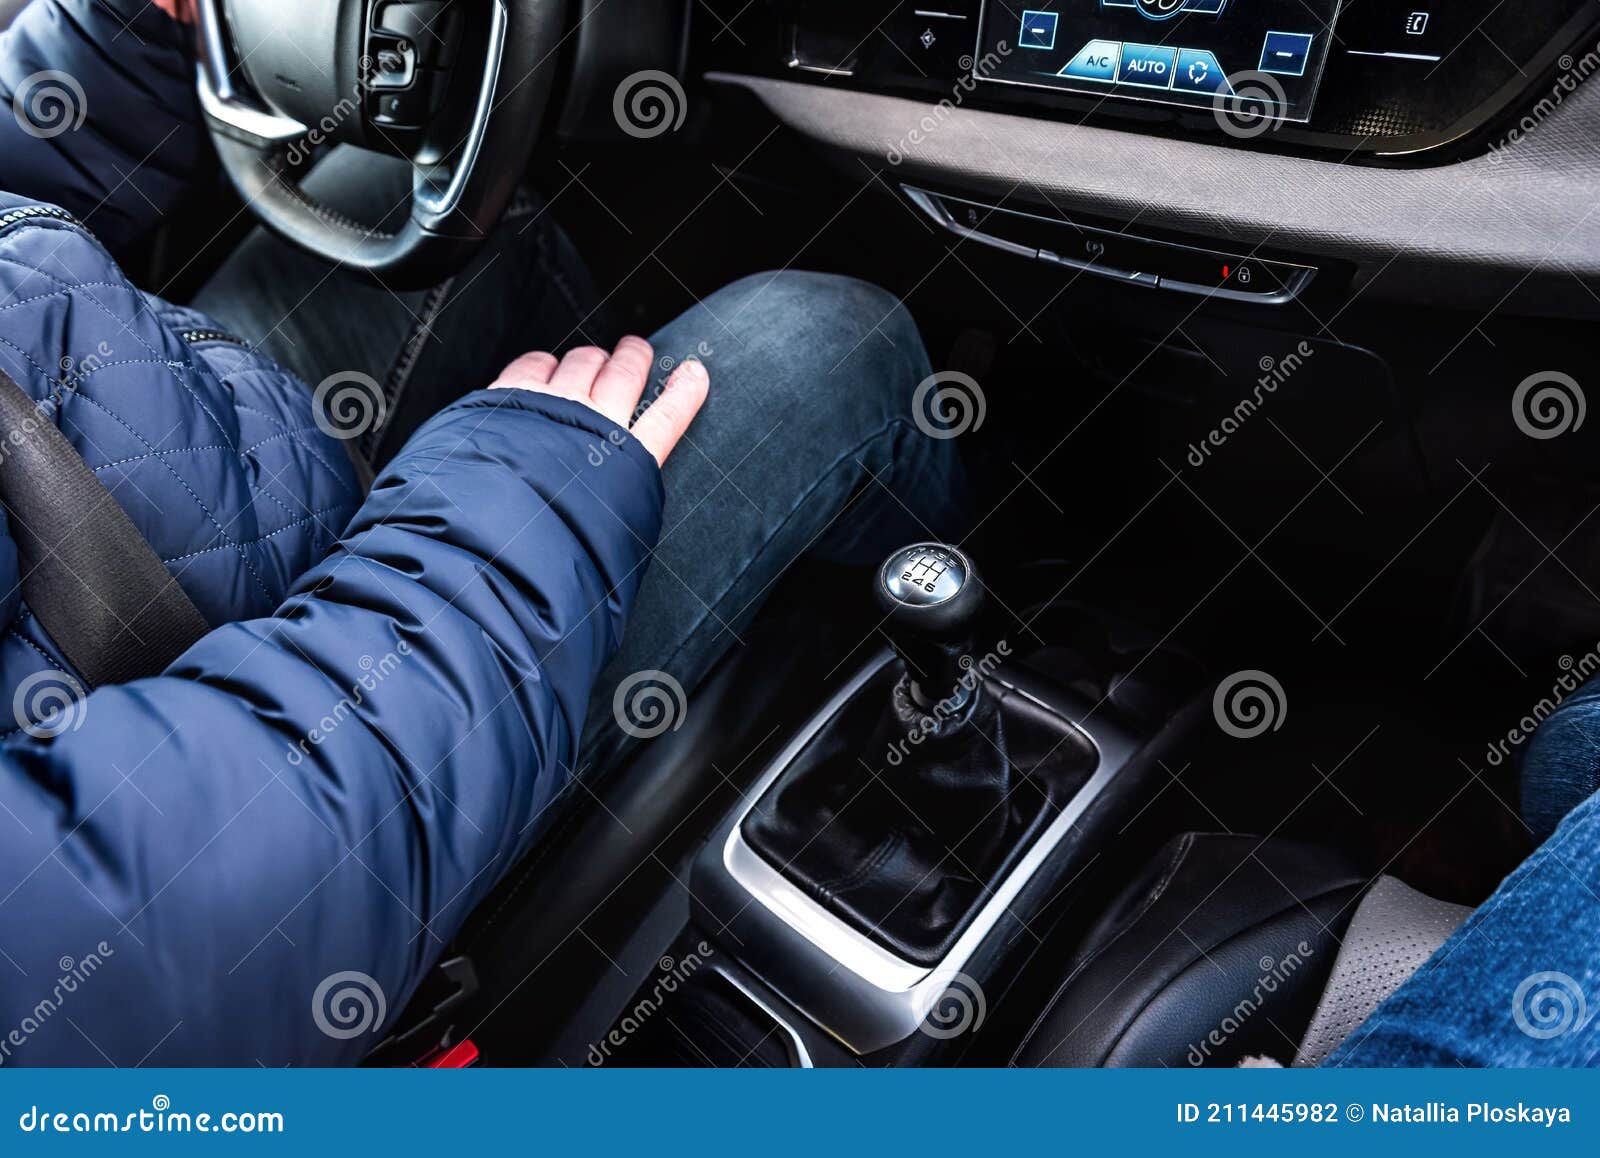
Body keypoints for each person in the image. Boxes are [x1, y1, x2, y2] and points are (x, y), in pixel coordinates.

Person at [0, 0, 968, 1063]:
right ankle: (1011, 620)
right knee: (837, 340)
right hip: (315, 759)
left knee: (435, 201)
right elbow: (136, 927)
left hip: (168, 458)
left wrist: (134, 29)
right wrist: (512, 529)